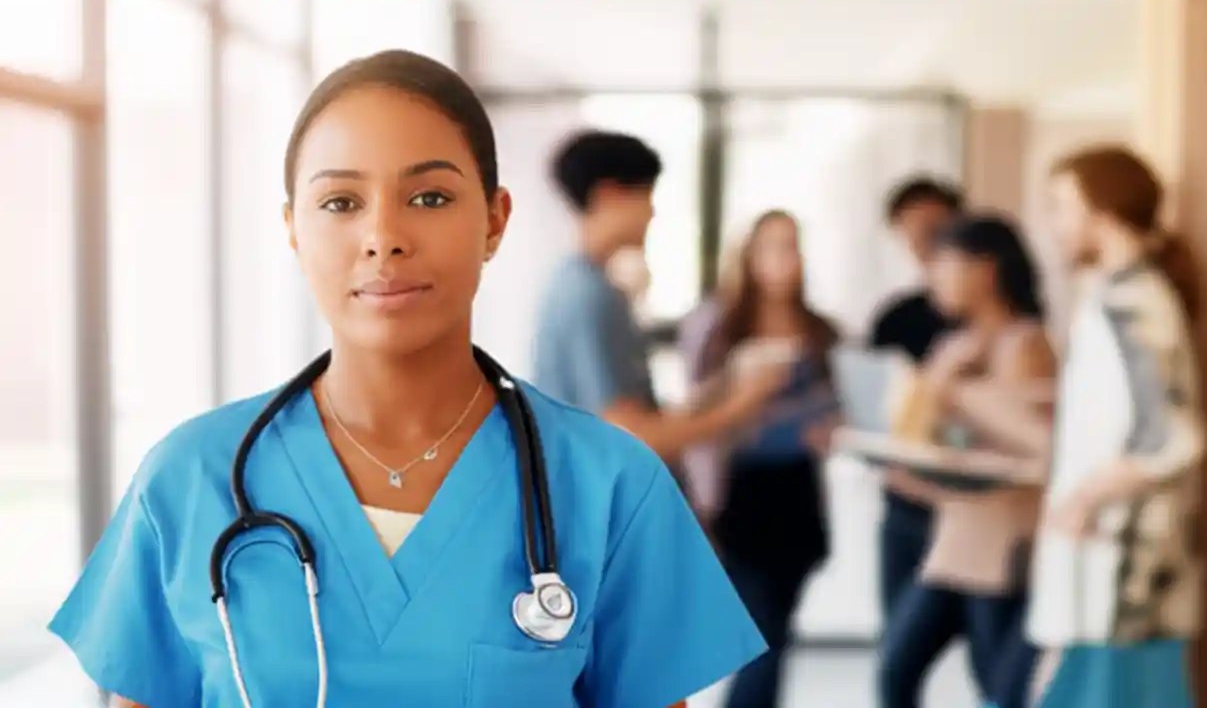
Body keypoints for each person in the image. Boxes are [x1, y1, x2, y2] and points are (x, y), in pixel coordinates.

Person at [47, 50, 765, 708]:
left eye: (429, 197)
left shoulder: (610, 485)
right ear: (295, 229)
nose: (383, 235)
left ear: (494, 219)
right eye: (340, 202)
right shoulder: (189, 479)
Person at [1028, 146, 1205, 707]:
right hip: (1108, 568)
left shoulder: (1136, 304)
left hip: (1129, 576)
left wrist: (1083, 499)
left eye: (1062, 207)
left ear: (1101, 214)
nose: (1054, 225)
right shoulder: (1111, 297)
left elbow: (1175, 437)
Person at [876, 215, 1056, 708]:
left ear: (986, 269)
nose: (934, 276)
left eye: (946, 263)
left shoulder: (1026, 344)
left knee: (997, 687)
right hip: (954, 540)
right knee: (895, 669)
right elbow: (919, 436)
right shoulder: (953, 345)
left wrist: (959, 391)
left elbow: (1035, 446)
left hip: (1003, 546)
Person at [533, 131, 785, 464]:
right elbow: (632, 435)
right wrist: (741, 407)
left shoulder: (575, 283)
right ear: (609, 194)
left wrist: (720, 390)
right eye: (646, 195)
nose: (652, 213)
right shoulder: (590, 296)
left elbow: (632, 413)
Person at [691, 210, 842, 708]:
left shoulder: (819, 330)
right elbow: (697, 414)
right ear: (749, 256)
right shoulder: (720, 326)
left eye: (792, 246)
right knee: (761, 635)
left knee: (778, 634)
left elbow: (840, 405)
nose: (784, 260)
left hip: (799, 492)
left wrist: (823, 426)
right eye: (772, 247)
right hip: (742, 494)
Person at [868, 177, 964, 621]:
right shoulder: (894, 319)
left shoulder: (995, 327)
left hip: (968, 508)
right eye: (910, 231)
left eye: (933, 227)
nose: (923, 242)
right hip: (906, 502)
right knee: (896, 656)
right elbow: (875, 413)